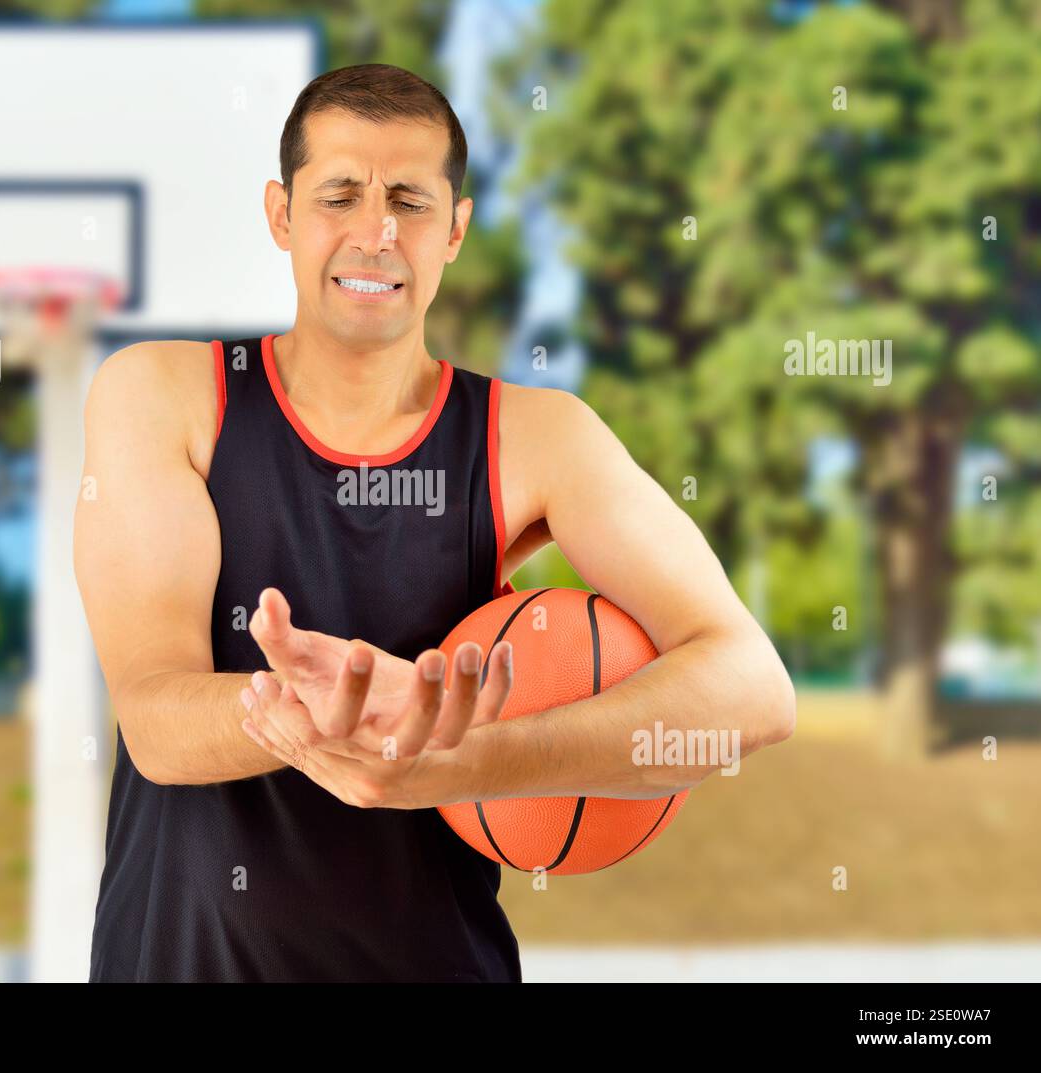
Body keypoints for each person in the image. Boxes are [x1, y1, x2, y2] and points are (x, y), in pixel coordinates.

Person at [77, 63, 795, 983]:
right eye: (339, 194)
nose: (375, 232)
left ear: (454, 229)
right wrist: (312, 706)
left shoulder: (535, 438)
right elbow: (157, 722)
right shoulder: (167, 396)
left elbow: (752, 687)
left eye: (410, 201)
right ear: (281, 214)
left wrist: (469, 760)